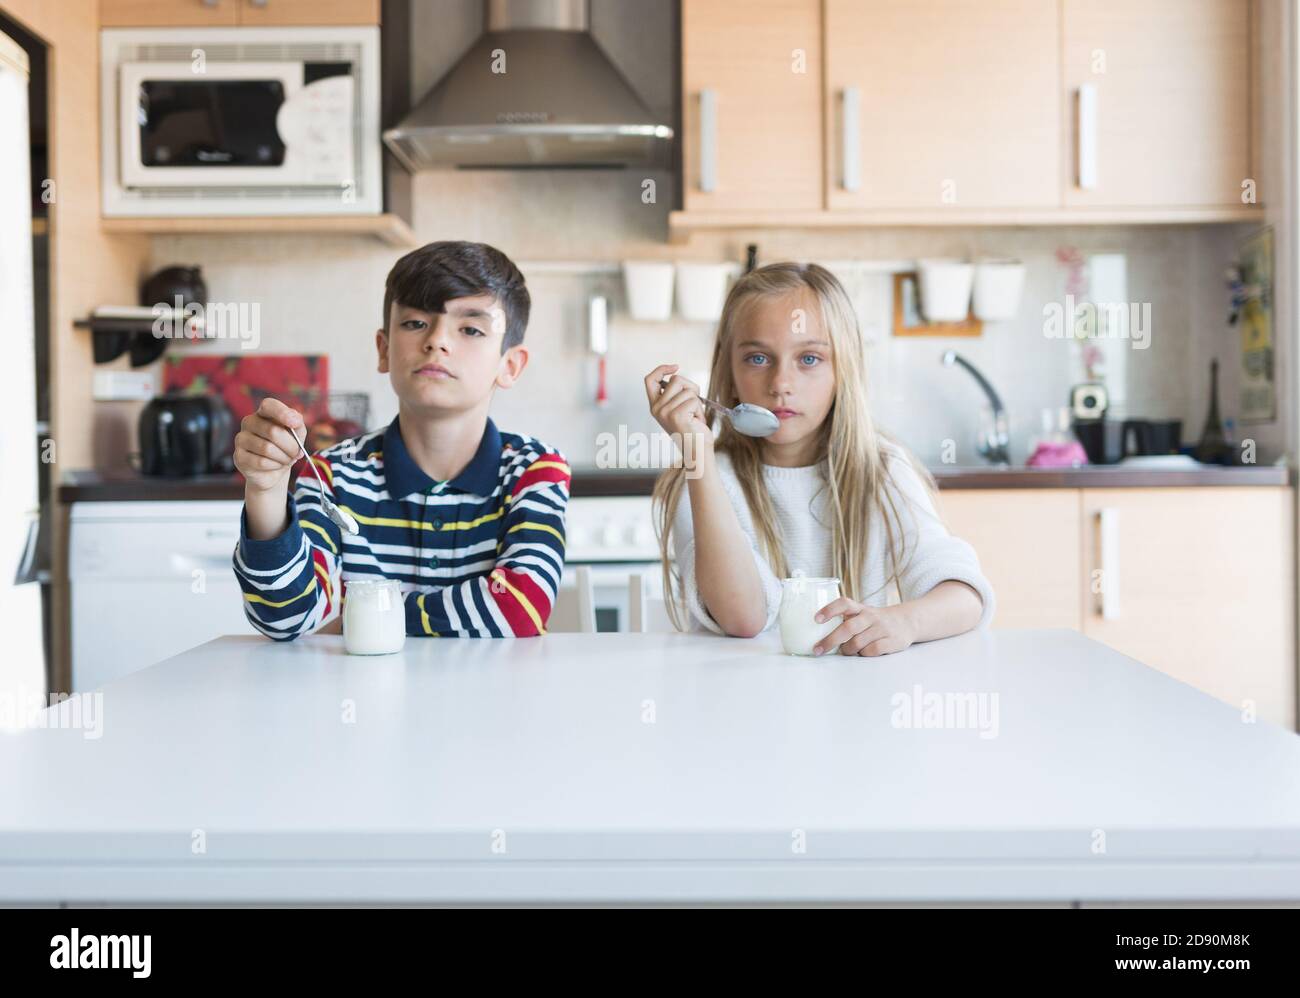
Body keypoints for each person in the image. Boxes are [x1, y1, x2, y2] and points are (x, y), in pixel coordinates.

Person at [645, 262, 994, 656]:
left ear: (842, 367)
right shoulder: (705, 477)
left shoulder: (881, 470)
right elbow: (743, 617)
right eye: (758, 359)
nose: (781, 385)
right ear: (729, 366)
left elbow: (964, 595)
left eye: (809, 359)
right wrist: (697, 452)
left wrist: (905, 621)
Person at [232, 241, 569, 639]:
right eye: (415, 323)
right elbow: (286, 619)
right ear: (384, 349)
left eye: (471, 329)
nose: (437, 341)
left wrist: (360, 616)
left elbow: (519, 606)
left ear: (509, 365)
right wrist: (266, 492)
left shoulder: (534, 469)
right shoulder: (332, 475)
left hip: (499, 700)